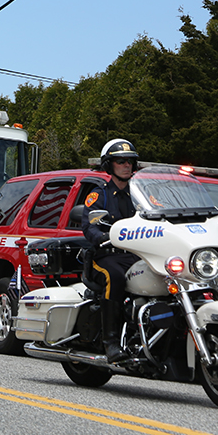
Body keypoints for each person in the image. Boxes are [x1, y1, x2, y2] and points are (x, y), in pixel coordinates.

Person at [82, 138, 140, 363]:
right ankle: (111, 342)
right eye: (120, 161)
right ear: (109, 165)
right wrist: (102, 237)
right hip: (106, 256)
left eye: (130, 161)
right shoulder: (100, 194)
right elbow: (89, 225)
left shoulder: (140, 196)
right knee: (114, 277)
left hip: (135, 256)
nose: (126, 165)